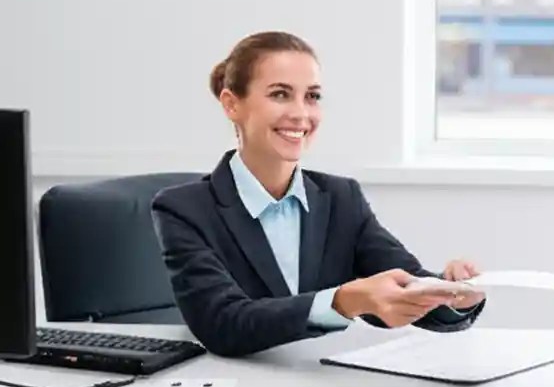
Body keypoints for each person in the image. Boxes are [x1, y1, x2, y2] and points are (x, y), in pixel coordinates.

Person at [152, 31, 486, 357]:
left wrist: (451, 293)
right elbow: (222, 324)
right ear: (231, 104)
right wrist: (343, 301)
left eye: (312, 96)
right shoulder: (183, 210)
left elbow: (404, 283)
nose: (301, 114)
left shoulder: (341, 198)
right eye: (280, 94)